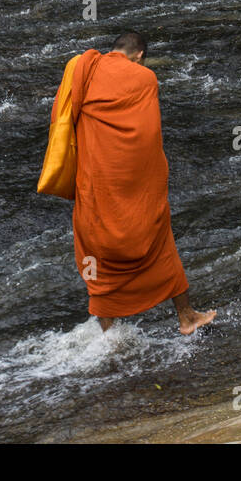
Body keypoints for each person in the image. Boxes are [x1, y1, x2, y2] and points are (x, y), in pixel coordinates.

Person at [55, 30, 216, 334]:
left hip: (95, 190)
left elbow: (67, 124)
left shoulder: (83, 71)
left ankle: (106, 337)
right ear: (140, 55)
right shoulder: (144, 79)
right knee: (161, 246)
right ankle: (187, 317)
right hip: (133, 193)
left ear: (114, 49)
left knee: (96, 257)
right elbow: (146, 139)